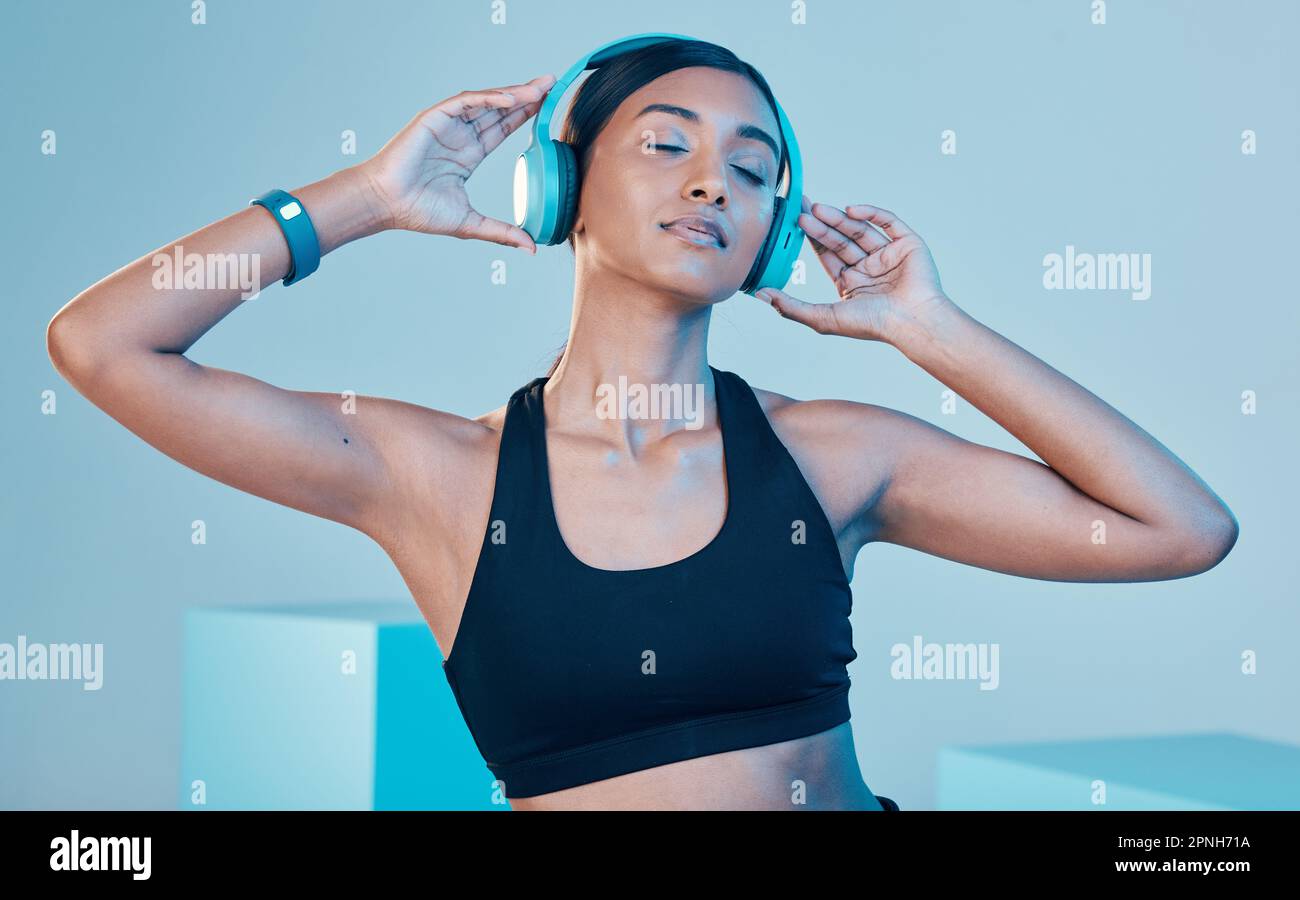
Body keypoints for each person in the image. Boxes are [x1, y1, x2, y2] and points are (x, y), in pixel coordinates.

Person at [44, 38, 1238, 812]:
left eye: (753, 168)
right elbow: (101, 346)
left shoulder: (833, 455)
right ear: (561, 186)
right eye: (665, 144)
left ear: (772, 227)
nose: (712, 182)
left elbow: (1178, 530)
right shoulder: (437, 476)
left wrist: (929, 331)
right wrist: (365, 198)